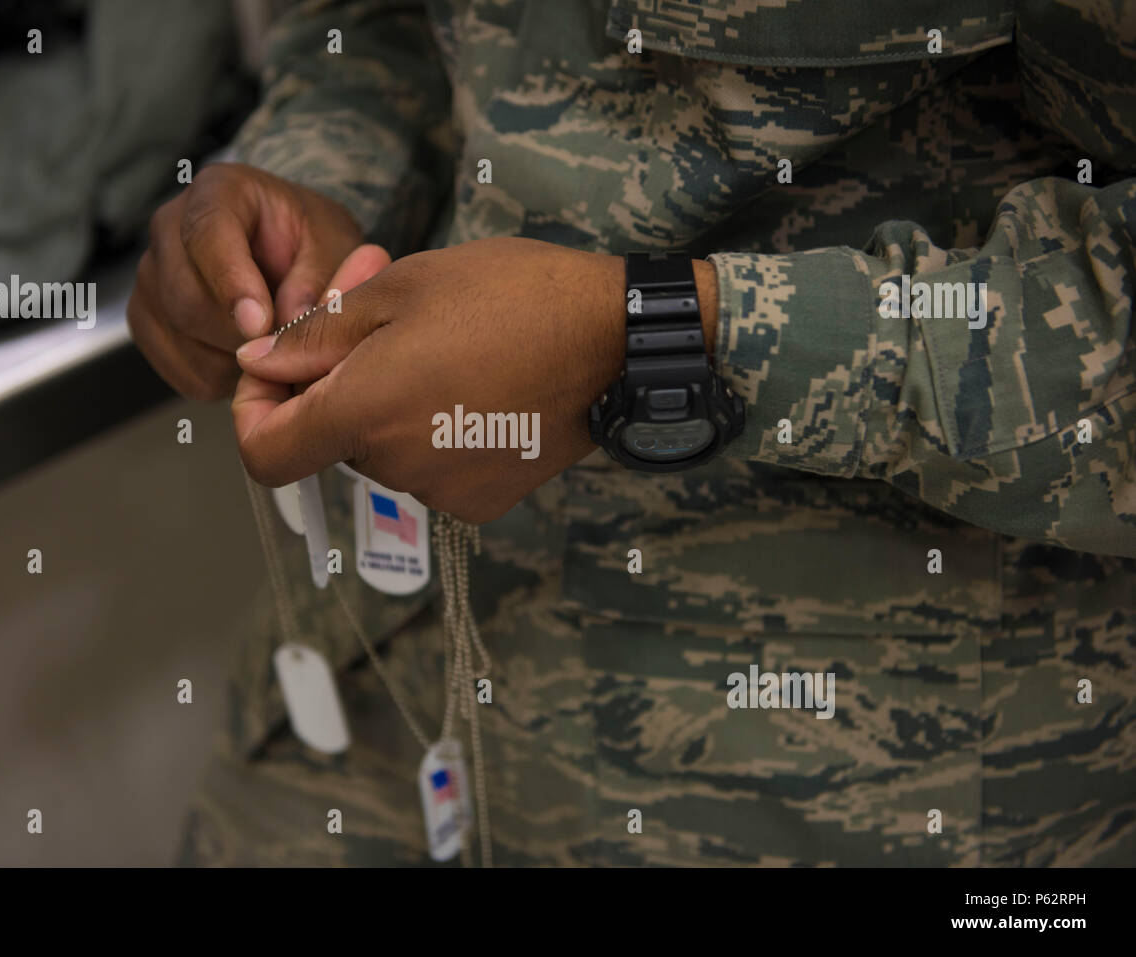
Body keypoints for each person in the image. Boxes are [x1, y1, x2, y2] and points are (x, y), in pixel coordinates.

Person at [127, 0, 1136, 866]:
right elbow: (378, 32)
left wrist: (659, 344)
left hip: (839, 755)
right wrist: (317, 192)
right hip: (384, 654)